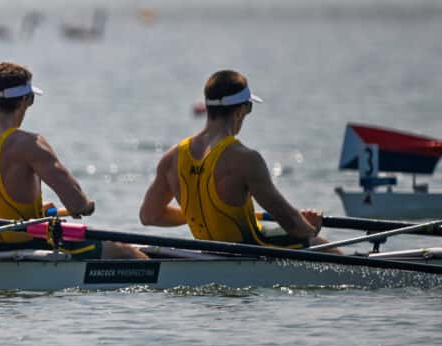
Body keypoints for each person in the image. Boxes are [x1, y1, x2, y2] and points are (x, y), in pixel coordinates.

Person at [0, 62, 146, 260]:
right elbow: (75, 203)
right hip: (37, 247)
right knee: (123, 249)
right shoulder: (29, 144)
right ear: (25, 100)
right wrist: (87, 206)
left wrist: (32, 214)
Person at [138, 69, 329, 248]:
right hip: (250, 250)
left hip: (209, 251)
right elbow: (293, 225)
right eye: (249, 108)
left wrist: (200, 213)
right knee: (320, 244)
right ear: (240, 111)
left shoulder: (172, 158)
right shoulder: (246, 160)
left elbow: (149, 216)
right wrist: (312, 227)